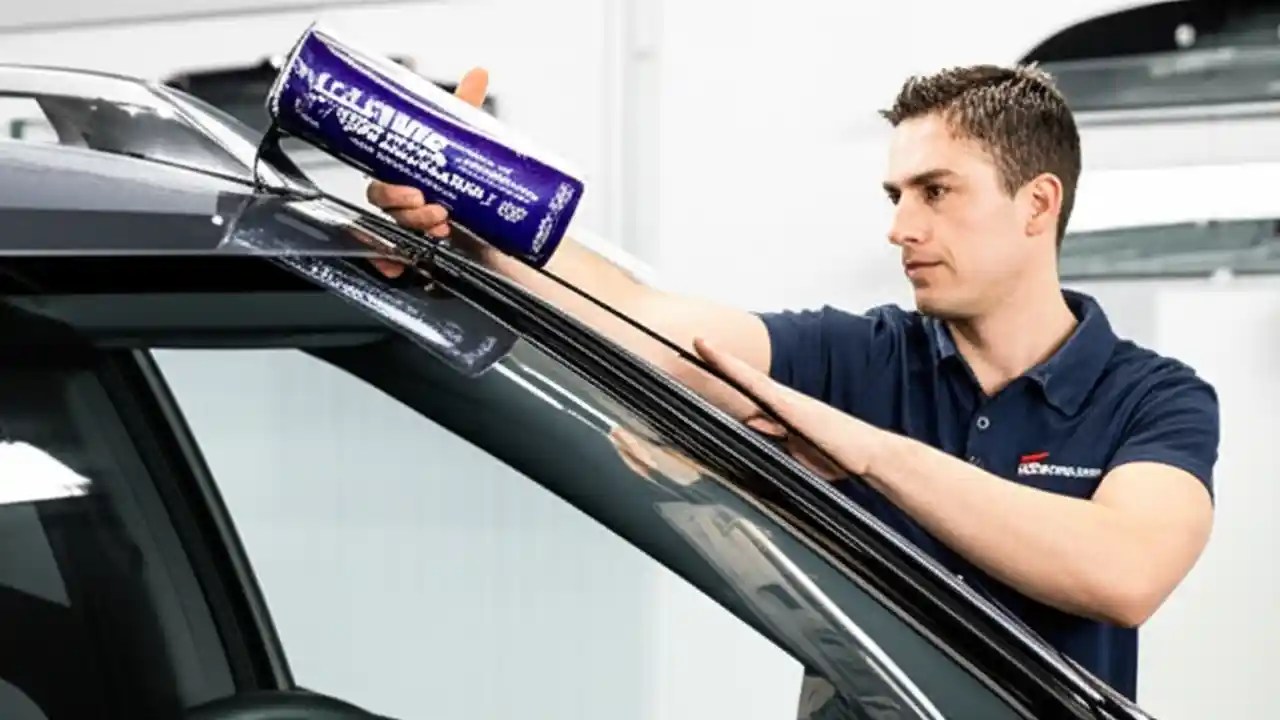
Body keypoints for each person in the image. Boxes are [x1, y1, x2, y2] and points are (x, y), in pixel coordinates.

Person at [367, 63, 1218, 700]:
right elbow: (654, 329)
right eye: (894, 194)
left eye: (934, 192)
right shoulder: (863, 355)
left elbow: (1125, 573)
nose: (899, 227)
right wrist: (484, 229)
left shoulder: (1154, 397)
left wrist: (870, 455)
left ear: (1037, 205)